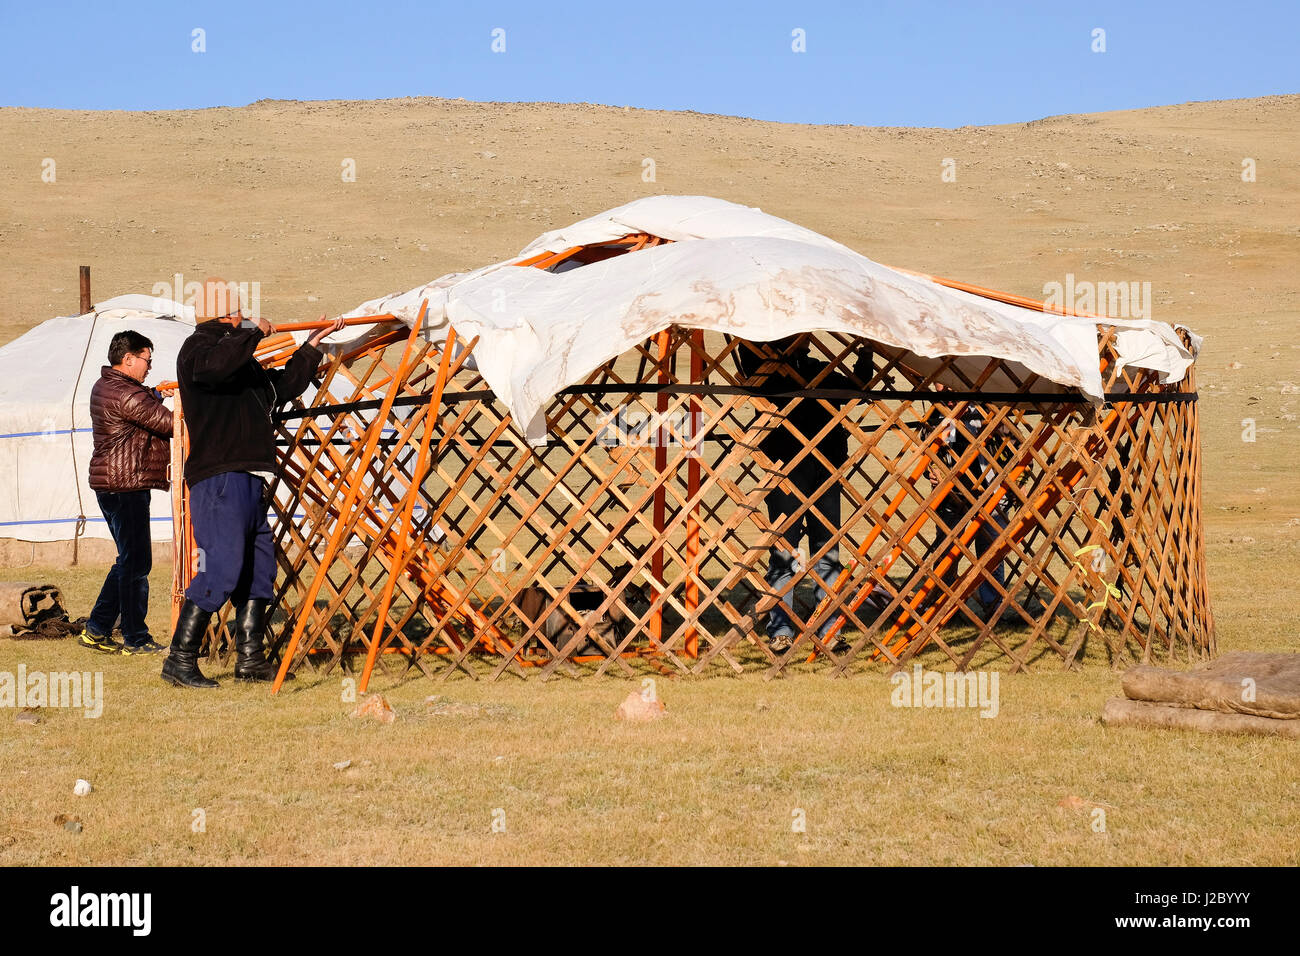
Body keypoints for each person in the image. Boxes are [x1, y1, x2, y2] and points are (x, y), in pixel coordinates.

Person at [161, 277, 344, 688]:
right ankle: (179, 659)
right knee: (222, 566)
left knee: (260, 569)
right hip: (221, 476)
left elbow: (279, 390)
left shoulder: (239, 359)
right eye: (240, 312)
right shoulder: (199, 350)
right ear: (229, 315)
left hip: (251, 478)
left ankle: (251, 659)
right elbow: (217, 367)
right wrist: (253, 333)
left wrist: (312, 344)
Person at [735, 335, 871, 653]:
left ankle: (829, 629)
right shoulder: (765, 372)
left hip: (825, 469)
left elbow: (858, 387)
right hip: (785, 471)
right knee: (784, 552)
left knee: (828, 553)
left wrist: (865, 354)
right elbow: (747, 355)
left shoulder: (820, 370)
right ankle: (781, 629)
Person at [81, 331, 175, 655]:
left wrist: (155, 393)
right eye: (147, 360)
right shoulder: (127, 394)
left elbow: (141, 405)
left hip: (112, 485)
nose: (149, 366)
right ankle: (135, 638)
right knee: (137, 563)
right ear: (129, 358)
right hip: (126, 487)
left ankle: (96, 628)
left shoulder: (105, 385)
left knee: (129, 560)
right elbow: (168, 424)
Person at [922, 384, 1014, 622]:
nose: (945, 388)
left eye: (948, 381)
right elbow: (929, 454)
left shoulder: (988, 411)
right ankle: (945, 610)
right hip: (951, 498)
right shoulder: (937, 414)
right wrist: (932, 471)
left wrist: (1015, 482)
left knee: (990, 556)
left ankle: (994, 610)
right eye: (939, 382)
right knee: (947, 554)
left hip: (989, 495)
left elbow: (1015, 448)